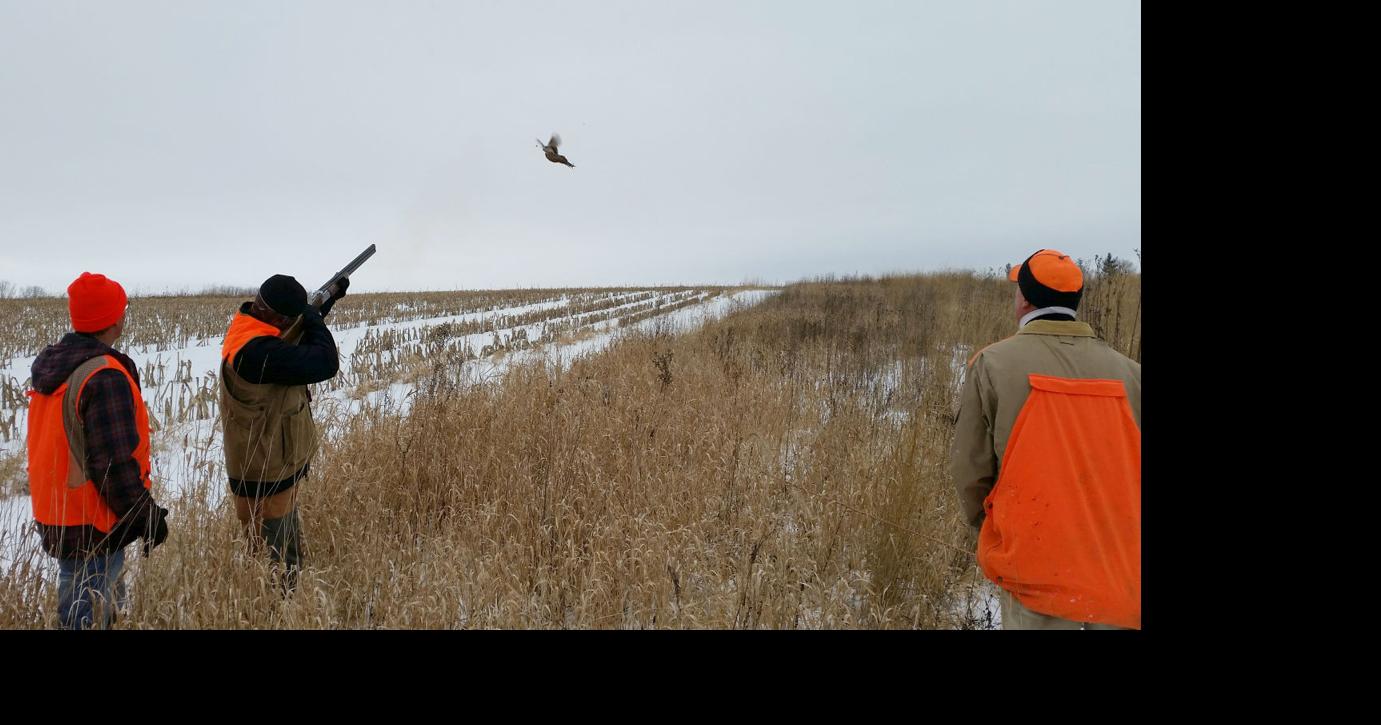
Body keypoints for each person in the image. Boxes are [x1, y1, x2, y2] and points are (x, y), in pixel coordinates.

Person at [951, 249, 1141, 630]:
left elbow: (970, 470)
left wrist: (993, 533)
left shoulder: (992, 365)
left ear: (1024, 299)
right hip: (1121, 576)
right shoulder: (1131, 373)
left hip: (1034, 579)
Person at [28, 272, 169, 629]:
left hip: (59, 510)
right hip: (93, 520)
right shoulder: (104, 377)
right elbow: (113, 466)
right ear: (113, 320)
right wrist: (146, 516)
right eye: (122, 309)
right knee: (87, 615)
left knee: (97, 606)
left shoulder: (58, 368)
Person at [219, 274, 346, 592]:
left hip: (267, 459)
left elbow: (292, 333)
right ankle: (279, 607)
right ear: (277, 317)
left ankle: (273, 599)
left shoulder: (251, 326)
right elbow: (326, 362)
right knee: (276, 556)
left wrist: (327, 300)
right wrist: (312, 316)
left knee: (272, 545)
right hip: (265, 468)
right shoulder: (257, 353)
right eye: (291, 317)